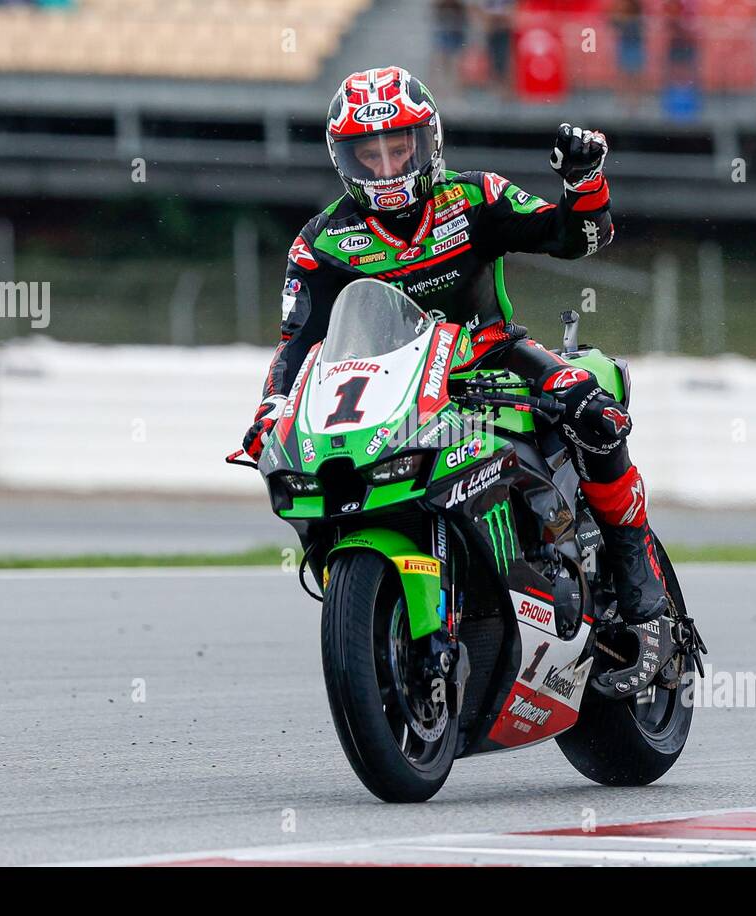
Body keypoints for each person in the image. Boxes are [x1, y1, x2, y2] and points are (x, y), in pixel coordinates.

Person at [242, 66, 667, 625]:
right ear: (342, 161)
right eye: (368, 156)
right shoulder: (320, 243)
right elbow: (297, 344)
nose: (388, 169)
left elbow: (575, 237)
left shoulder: (473, 196)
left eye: (399, 148)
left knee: (588, 404)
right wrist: (273, 407)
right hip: (390, 389)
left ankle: (639, 580)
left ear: (429, 142)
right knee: (316, 470)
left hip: (490, 357)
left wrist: (583, 183)